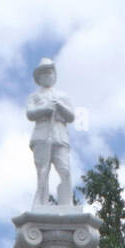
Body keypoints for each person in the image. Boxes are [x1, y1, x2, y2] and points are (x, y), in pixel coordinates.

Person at [27, 58, 74, 208]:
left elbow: (71, 116)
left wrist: (59, 106)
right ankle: (41, 202)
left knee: (65, 170)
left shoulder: (63, 96)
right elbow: (30, 113)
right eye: (45, 73)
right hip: (42, 135)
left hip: (59, 135)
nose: (48, 76)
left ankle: (67, 203)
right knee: (42, 171)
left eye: (50, 73)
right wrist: (45, 109)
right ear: (39, 78)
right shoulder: (35, 97)